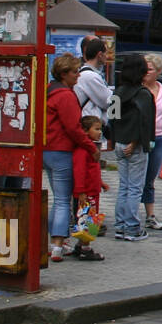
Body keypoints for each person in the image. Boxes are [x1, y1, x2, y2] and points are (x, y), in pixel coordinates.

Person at [43, 53, 101, 262]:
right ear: (64, 73)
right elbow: (73, 128)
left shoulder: (50, 91)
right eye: (75, 72)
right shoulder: (65, 96)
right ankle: (58, 245)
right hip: (61, 150)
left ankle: (53, 242)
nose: (78, 76)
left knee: (58, 198)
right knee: (62, 200)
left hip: (47, 149)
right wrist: (90, 147)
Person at [110, 54, 155, 241]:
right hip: (134, 145)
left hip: (119, 143)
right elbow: (145, 122)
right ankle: (132, 228)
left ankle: (119, 226)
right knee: (135, 188)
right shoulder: (143, 94)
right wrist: (136, 142)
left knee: (123, 187)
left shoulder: (117, 92)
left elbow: (111, 118)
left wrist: (117, 141)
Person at [141, 54, 162, 230]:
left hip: (158, 137)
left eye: (150, 69)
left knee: (150, 178)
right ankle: (128, 217)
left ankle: (150, 215)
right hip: (140, 137)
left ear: (158, 72)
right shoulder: (138, 89)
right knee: (136, 179)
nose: (146, 72)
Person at [74, 37, 112, 150]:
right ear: (99, 54)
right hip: (90, 129)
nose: (107, 56)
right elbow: (109, 102)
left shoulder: (87, 73)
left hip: (90, 128)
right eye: (106, 53)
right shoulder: (90, 76)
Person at [74, 115, 108, 217]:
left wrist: (100, 183)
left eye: (100, 129)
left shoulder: (92, 149)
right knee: (84, 217)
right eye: (96, 129)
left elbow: (93, 170)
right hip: (86, 192)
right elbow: (79, 171)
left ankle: (91, 230)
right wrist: (80, 191)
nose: (100, 132)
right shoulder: (82, 151)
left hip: (93, 190)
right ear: (85, 131)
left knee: (92, 215)